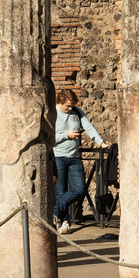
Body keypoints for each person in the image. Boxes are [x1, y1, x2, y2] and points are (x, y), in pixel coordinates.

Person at [52, 89, 105, 234]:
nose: (70, 109)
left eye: (71, 106)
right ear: (60, 101)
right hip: (58, 157)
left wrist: (101, 143)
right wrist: (66, 135)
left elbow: (88, 127)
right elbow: (49, 137)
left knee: (79, 189)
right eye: (67, 106)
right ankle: (65, 222)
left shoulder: (76, 111)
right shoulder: (53, 113)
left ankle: (55, 211)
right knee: (61, 191)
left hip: (74, 157)